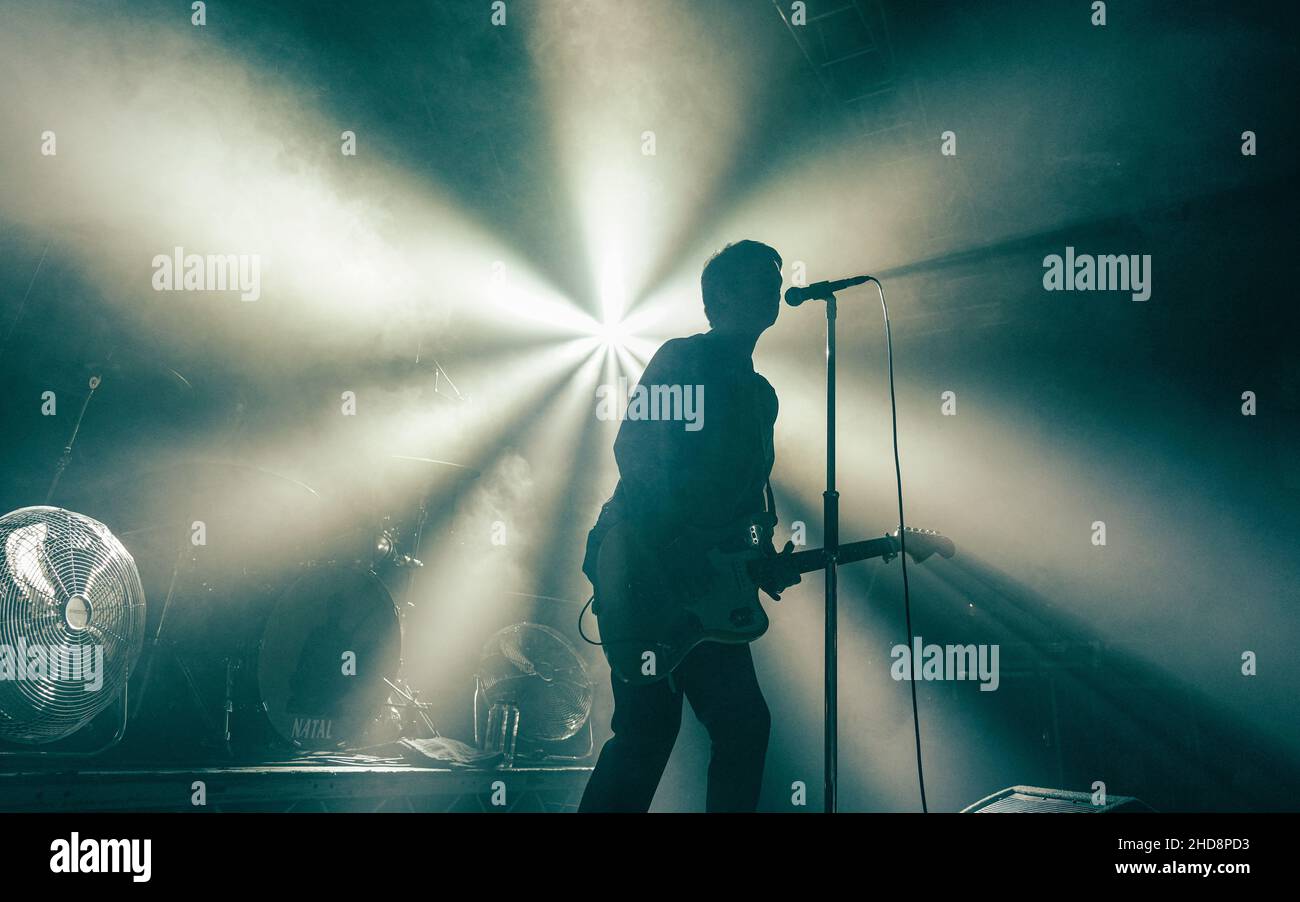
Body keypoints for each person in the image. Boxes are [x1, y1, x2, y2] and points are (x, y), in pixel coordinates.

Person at [578, 240, 801, 812]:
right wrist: (673, 551)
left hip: (696, 586)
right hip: (645, 568)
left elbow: (749, 505)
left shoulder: (761, 396)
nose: (771, 289)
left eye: (772, 280)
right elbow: (638, 453)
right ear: (718, 298)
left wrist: (761, 554)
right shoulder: (683, 360)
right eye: (756, 279)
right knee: (651, 734)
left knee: (727, 728)